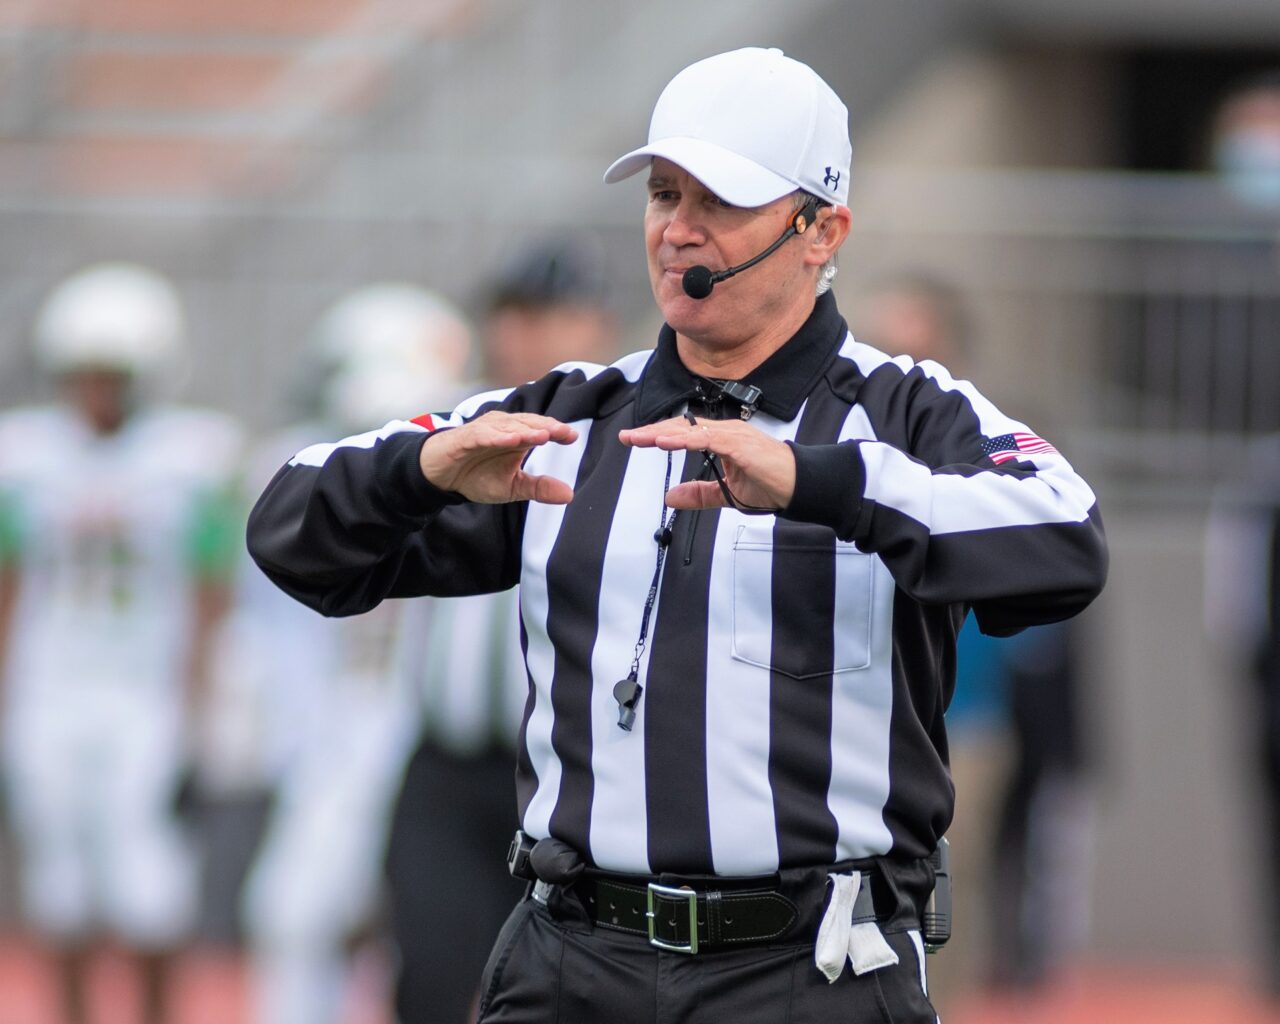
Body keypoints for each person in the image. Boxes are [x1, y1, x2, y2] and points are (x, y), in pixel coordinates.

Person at [247, 47, 1108, 1023]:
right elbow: (289, 526)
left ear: (820, 229)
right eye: (663, 193)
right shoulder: (572, 413)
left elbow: (1064, 535)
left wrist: (819, 483)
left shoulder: (903, 410)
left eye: (719, 200)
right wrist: (419, 469)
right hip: (570, 956)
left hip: (808, 967)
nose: (676, 230)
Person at [382, 237, 619, 1024]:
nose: (530, 337)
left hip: (561, 772)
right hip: (447, 755)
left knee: (557, 989)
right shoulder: (450, 429)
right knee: (430, 970)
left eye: (552, 316)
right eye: (514, 316)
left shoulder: (629, 444)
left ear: (599, 325)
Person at [0, 262, 244, 1024]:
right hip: (49, 685)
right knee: (61, 890)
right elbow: (9, 577)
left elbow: (212, 583)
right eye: (83, 374)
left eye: (111, 374)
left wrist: (201, 701)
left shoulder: (190, 455)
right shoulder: (26, 453)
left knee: (150, 893)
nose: (95, 391)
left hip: (145, 692)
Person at [234, 283, 474, 1024]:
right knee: (295, 912)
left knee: (422, 932)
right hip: (336, 716)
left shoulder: (480, 472)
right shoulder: (292, 473)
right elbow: (271, 621)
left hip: (424, 732)